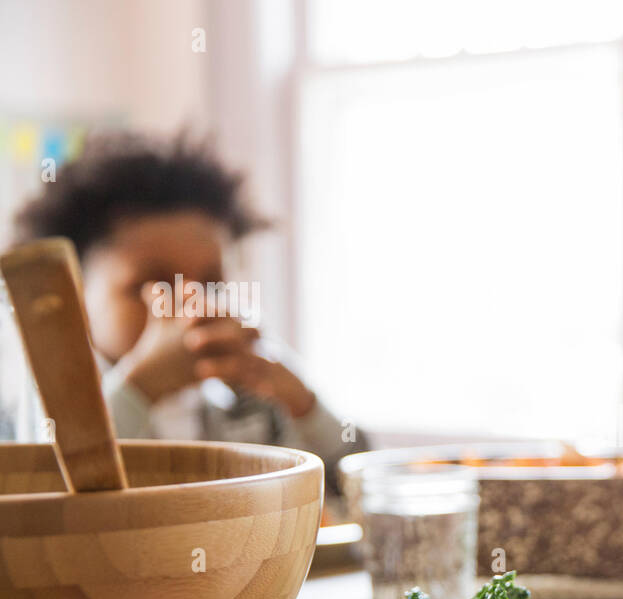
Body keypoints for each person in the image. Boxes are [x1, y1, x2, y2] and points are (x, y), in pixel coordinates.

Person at [10, 131, 364, 495]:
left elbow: (358, 488)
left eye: (211, 285)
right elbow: (48, 503)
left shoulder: (245, 400)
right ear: (78, 298)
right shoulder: (41, 408)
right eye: (155, 287)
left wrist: (303, 404)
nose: (191, 308)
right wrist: (141, 387)